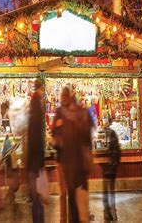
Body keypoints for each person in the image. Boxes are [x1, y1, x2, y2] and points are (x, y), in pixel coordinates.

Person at [53, 89, 93, 223]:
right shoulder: (84, 112)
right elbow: (88, 139)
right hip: (80, 164)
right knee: (79, 196)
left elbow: (55, 140)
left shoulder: (61, 113)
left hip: (69, 162)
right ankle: (79, 218)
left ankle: (72, 219)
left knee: (71, 196)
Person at [52, 87, 71, 223]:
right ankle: (64, 219)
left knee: (65, 192)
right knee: (65, 192)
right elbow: (53, 131)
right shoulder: (61, 111)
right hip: (64, 157)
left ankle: (65, 218)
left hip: (66, 158)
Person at [27, 79, 45, 223]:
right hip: (35, 160)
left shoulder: (33, 105)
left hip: (32, 159)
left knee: (36, 195)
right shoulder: (36, 105)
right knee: (37, 194)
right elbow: (37, 136)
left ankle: (37, 219)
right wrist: (41, 160)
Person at [101, 117, 120, 221]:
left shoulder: (108, 133)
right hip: (110, 167)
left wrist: (111, 165)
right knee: (109, 191)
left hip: (108, 167)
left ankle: (110, 213)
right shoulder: (111, 133)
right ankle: (110, 213)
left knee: (107, 191)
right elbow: (116, 151)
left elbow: (114, 151)